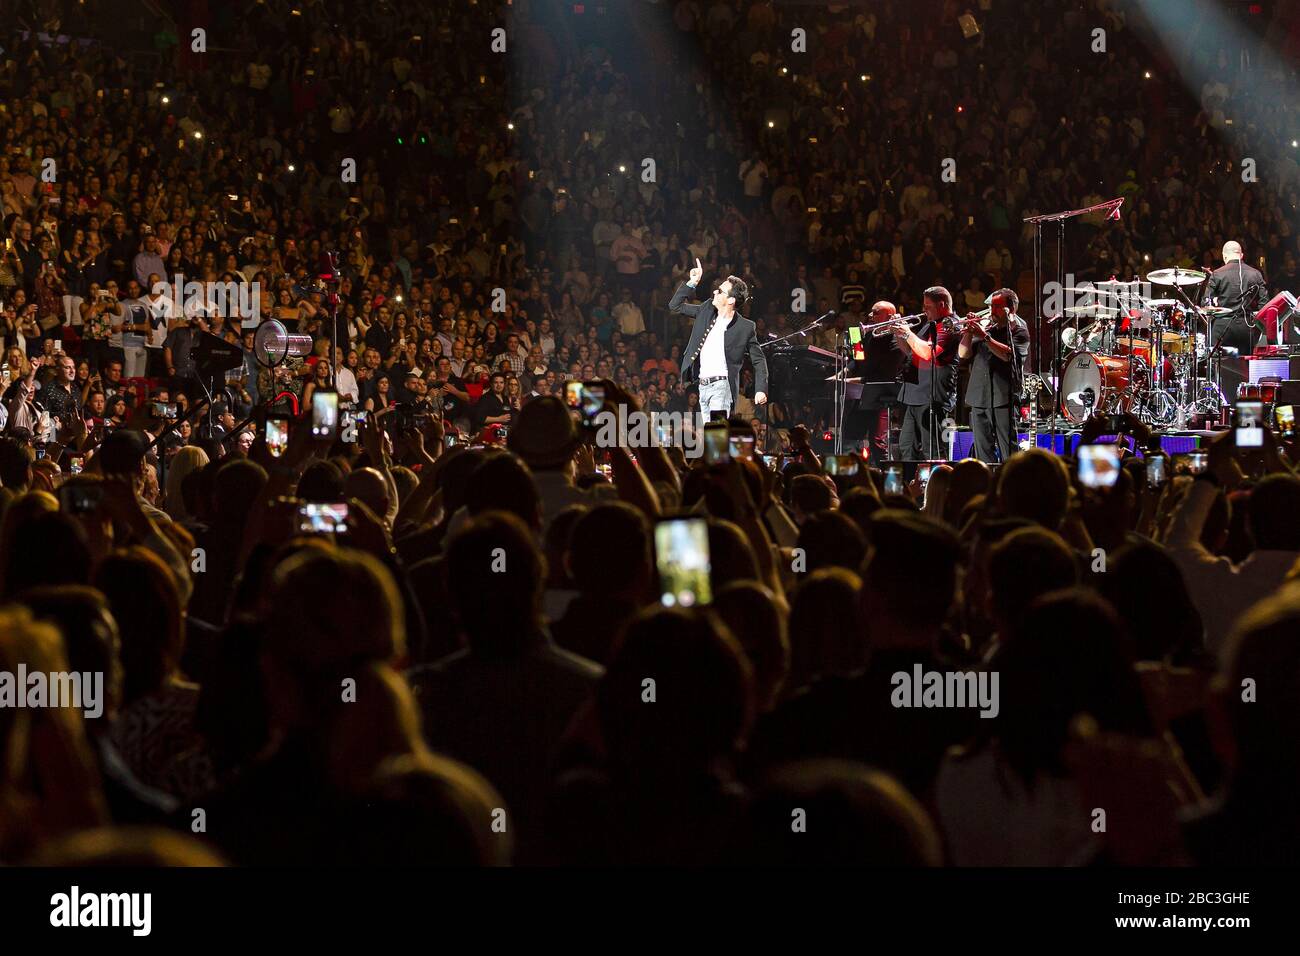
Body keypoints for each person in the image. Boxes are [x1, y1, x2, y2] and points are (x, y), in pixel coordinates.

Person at [669, 258, 768, 421]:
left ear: (731, 300)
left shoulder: (745, 327)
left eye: (721, 291)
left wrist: (760, 389)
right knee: (713, 439)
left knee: (715, 435)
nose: (715, 291)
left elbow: (759, 359)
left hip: (722, 386)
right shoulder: (706, 309)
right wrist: (692, 282)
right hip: (703, 385)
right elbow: (675, 306)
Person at [958, 288, 1030, 463]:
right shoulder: (987, 327)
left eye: (997, 307)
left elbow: (1007, 355)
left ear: (1010, 309)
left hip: (1002, 397)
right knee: (983, 453)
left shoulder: (1019, 330)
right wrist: (968, 331)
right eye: (991, 306)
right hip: (978, 396)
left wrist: (985, 336)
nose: (992, 311)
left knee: (1008, 451)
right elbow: (963, 354)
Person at [894, 286, 959, 460]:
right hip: (915, 394)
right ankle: (910, 485)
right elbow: (909, 351)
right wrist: (898, 333)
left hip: (933, 396)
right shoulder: (929, 325)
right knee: (906, 446)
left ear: (942, 304)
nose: (924, 310)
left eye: (928, 306)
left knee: (932, 450)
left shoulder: (950, 325)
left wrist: (908, 333)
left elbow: (928, 353)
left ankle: (935, 485)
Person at [1203, 240, 1267, 355]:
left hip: (1222, 328)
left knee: (1218, 365)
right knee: (1246, 368)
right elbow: (1264, 304)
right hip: (1248, 328)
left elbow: (1205, 303)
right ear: (1241, 255)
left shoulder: (1217, 273)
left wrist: (1216, 301)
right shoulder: (1255, 273)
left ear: (1224, 256)